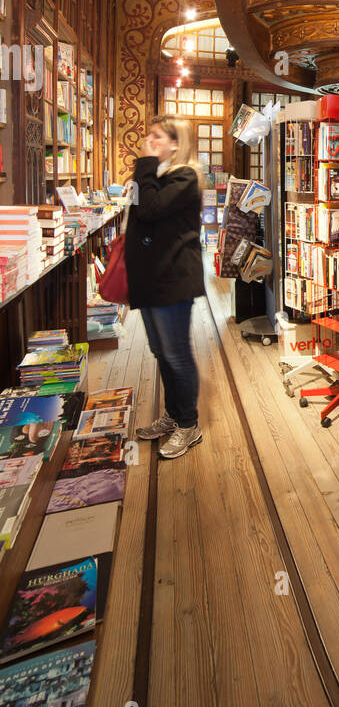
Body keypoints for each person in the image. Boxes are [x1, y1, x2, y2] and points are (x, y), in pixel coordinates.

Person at [126, 116, 205, 458]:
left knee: (177, 354)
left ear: (176, 143)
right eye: (150, 135)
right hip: (149, 279)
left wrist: (144, 163)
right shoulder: (159, 176)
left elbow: (149, 209)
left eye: (158, 136)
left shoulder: (184, 176)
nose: (150, 140)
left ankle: (189, 425)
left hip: (172, 279)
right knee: (161, 352)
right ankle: (174, 415)